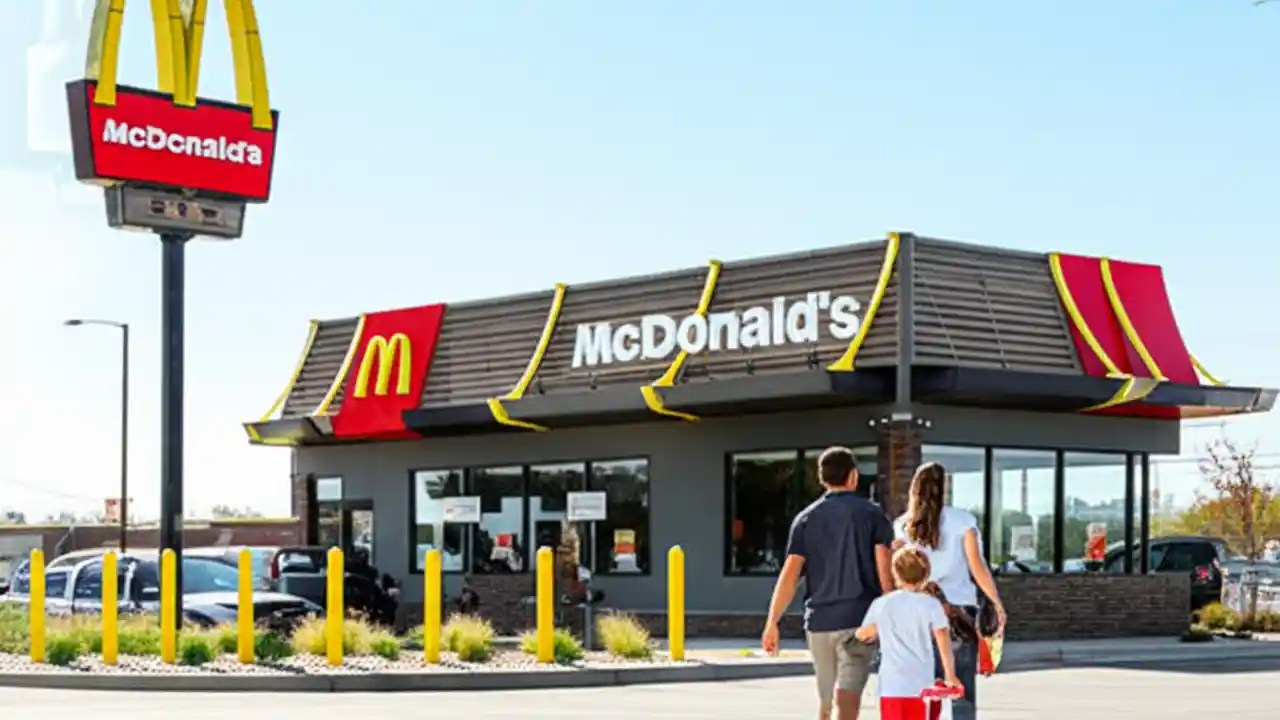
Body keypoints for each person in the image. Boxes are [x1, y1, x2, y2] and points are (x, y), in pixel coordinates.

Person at [762, 446, 895, 720]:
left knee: (827, 702)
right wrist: (892, 613)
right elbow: (885, 570)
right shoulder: (872, 515)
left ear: (821, 478)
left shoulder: (805, 519)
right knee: (847, 701)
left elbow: (790, 575)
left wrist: (772, 621)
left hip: (819, 624)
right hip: (859, 621)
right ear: (853, 476)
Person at [894, 462, 1007, 720]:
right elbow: (977, 566)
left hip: (917, 612)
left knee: (922, 688)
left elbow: (899, 571)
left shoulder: (902, 526)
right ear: (943, 488)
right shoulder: (963, 521)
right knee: (962, 689)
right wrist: (996, 602)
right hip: (958, 612)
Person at [854, 547, 962, 720]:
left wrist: (876, 628)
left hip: (891, 684)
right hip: (922, 683)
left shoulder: (882, 604)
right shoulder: (931, 604)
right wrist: (950, 675)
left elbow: (863, 634)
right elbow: (943, 638)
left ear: (895, 573)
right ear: (926, 574)